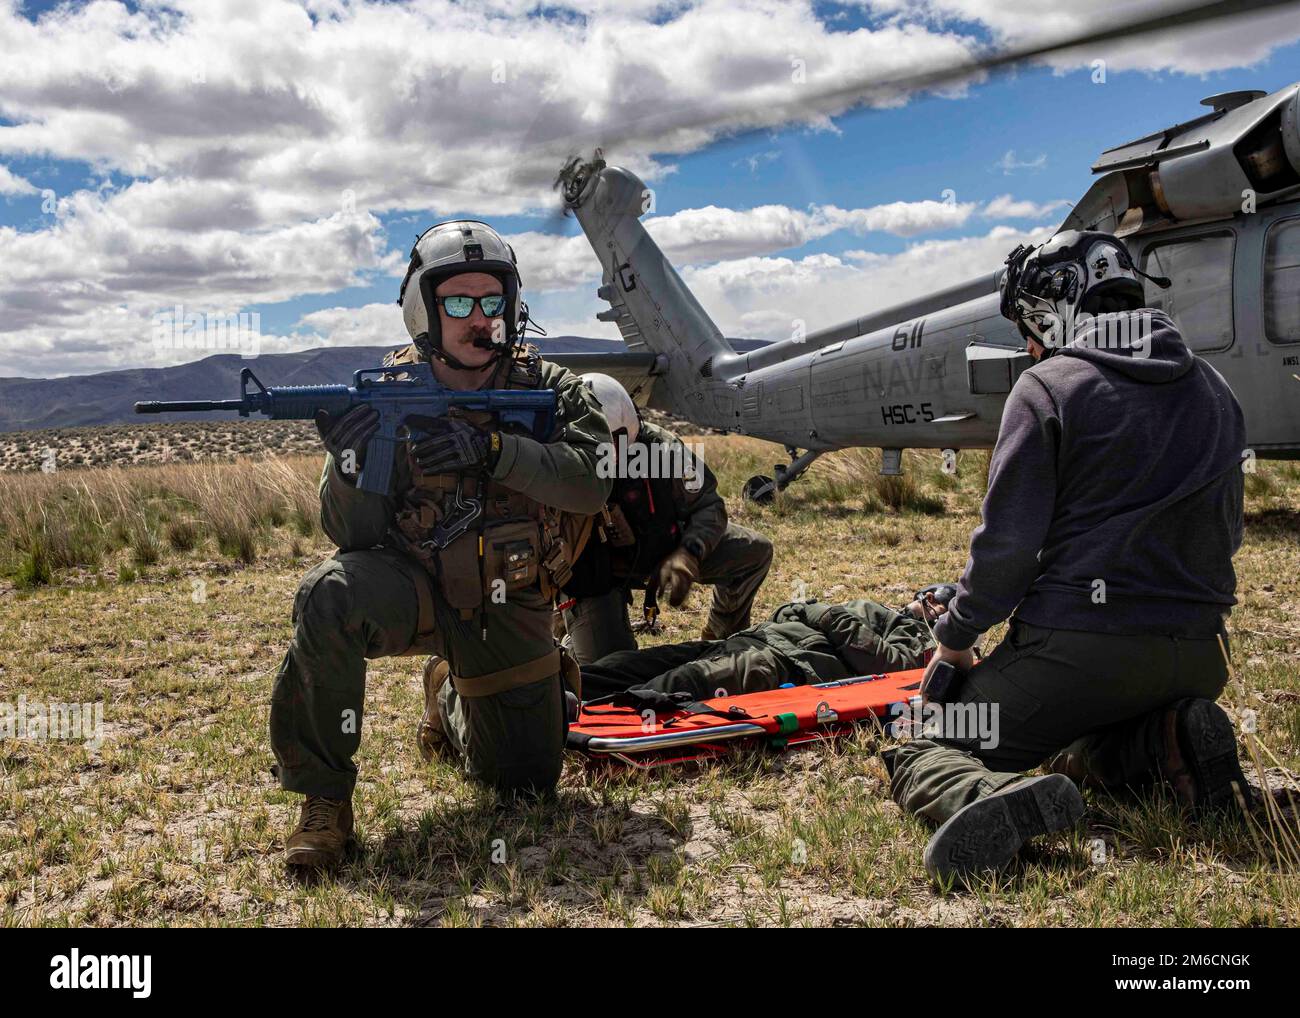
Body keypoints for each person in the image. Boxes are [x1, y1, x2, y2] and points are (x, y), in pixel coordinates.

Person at [885, 230, 1253, 882]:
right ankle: (1174, 734)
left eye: (1027, 325)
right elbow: (1226, 535)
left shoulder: (1050, 385)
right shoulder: (1217, 389)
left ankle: (986, 800)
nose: (1028, 344)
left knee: (922, 740)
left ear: (1052, 312)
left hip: (1082, 651)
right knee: (1083, 742)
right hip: (1201, 654)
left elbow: (1006, 552)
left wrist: (955, 639)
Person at [270, 220, 611, 870]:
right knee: (328, 594)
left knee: (523, 787)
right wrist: (351, 460)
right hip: (413, 590)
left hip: (506, 598)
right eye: (458, 302)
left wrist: (494, 451)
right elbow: (351, 537)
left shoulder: (550, 386)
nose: (477, 318)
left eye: (491, 302)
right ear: (424, 310)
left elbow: (591, 483)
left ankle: (448, 695)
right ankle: (323, 803)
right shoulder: (384, 395)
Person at [560, 373, 774, 664]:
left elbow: (709, 506)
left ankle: (723, 640)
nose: (602, 455)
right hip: (597, 577)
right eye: (590, 444)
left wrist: (690, 552)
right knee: (610, 672)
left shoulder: (663, 449)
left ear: (630, 428)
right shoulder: (557, 465)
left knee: (753, 551)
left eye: (611, 442)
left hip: (663, 549)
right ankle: (567, 641)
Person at [578, 584, 951, 701]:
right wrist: (807, 612)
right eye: (929, 593)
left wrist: (820, 613)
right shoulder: (880, 611)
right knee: (629, 663)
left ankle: (590, 718)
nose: (926, 600)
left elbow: (888, 667)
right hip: (755, 639)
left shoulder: (923, 640)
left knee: (684, 683)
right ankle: (555, 692)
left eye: (937, 601)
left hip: (787, 662)